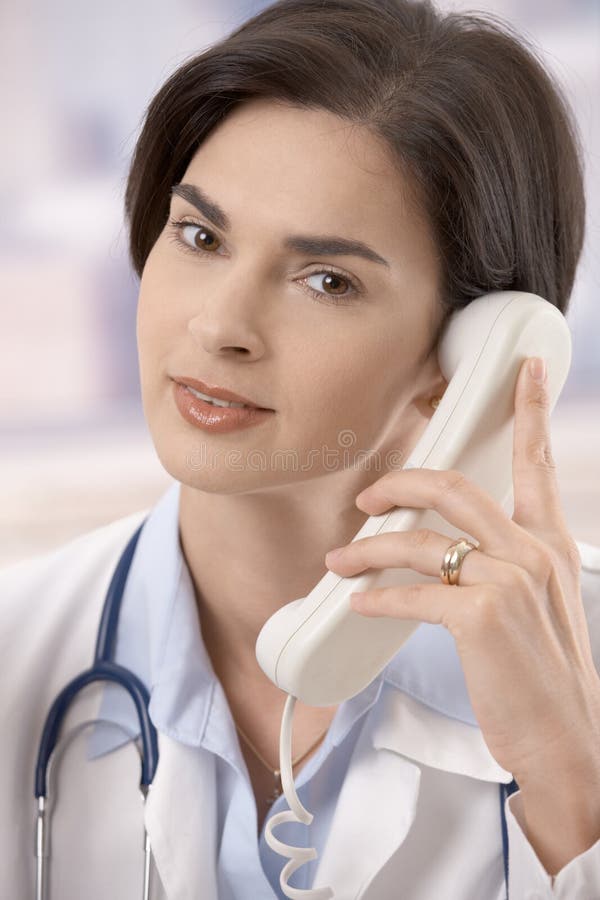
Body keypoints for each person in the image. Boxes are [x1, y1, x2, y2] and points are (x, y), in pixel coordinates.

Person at [2, 0, 599, 897]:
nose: (219, 326)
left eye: (327, 280)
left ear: (475, 349)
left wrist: (573, 783)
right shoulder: (16, 648)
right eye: (199, 235)